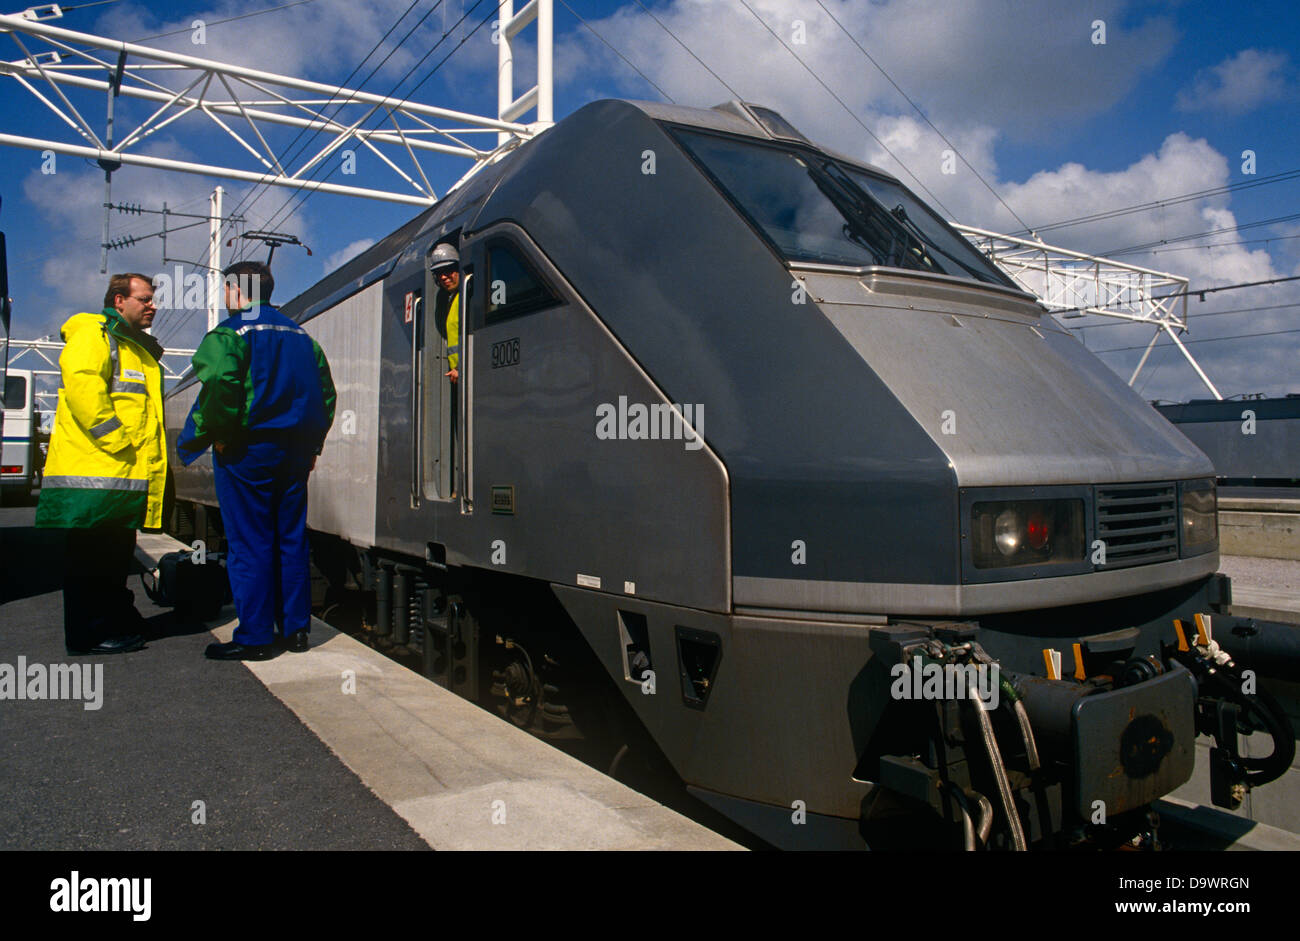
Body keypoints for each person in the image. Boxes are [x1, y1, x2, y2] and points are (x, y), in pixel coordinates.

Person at [176, 260, 335, 661]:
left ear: (235, 289)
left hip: (247, 451)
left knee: (250, 542)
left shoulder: (230, 333)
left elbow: (220, 384)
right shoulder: (303, 337)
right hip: (295, 453)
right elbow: (327, 396)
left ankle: (256, 637)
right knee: (291, 538)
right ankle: (296, 631)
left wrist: (223, 436)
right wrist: (312, 448)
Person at [35, 273, 167, 655]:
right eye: (144, 299)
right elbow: (83, 387)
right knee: (89, 562)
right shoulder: (94, 334)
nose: (152, 305)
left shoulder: (133, 346)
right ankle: (87, 635)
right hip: (96, 474)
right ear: (119, 300)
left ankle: (115, 620)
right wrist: (117, 440)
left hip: (118, 476)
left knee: (111, 558)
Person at [428, 242, 459, 494]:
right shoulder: (450, 301)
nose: (445, 276)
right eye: (440, 273)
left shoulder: (465, 297)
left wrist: (462, 367)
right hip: (456, 378)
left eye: (449, 270)